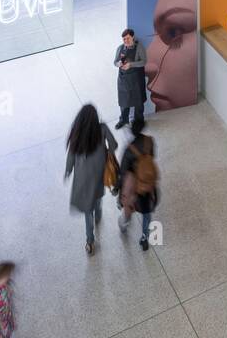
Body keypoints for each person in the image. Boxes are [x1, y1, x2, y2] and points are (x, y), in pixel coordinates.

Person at [64, 105, 117, 256]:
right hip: (99, 173)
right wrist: (107, 154)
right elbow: (114, 145)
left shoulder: (77, 133)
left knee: (88, 210)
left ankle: (90, 241)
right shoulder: (102, 129)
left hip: (82, 177)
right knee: (98, 195)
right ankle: (99, 213)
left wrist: (68, 171)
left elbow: (71, 155)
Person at [118, 121, 159, 252]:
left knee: (129, 206)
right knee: (146, 212)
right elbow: (152, 157)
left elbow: (123, 171)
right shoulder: (149, 141)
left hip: (134, 187)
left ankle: (125, 224)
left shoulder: (129, 149)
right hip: (148, 184)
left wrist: (118, 188)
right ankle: (144, 238)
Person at [114, 28, 148, 128]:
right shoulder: (120, 48)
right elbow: (115, 62)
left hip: (136, 80)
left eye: (128, 38)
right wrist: (118, 64)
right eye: (124, 39)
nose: (126, 41)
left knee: (138, 103)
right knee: (124, 102)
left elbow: (144, 62)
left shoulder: (139, 47)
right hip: (123, 80)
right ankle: (123, 120)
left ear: (132, 37)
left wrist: (131, 65)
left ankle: (138, 121)